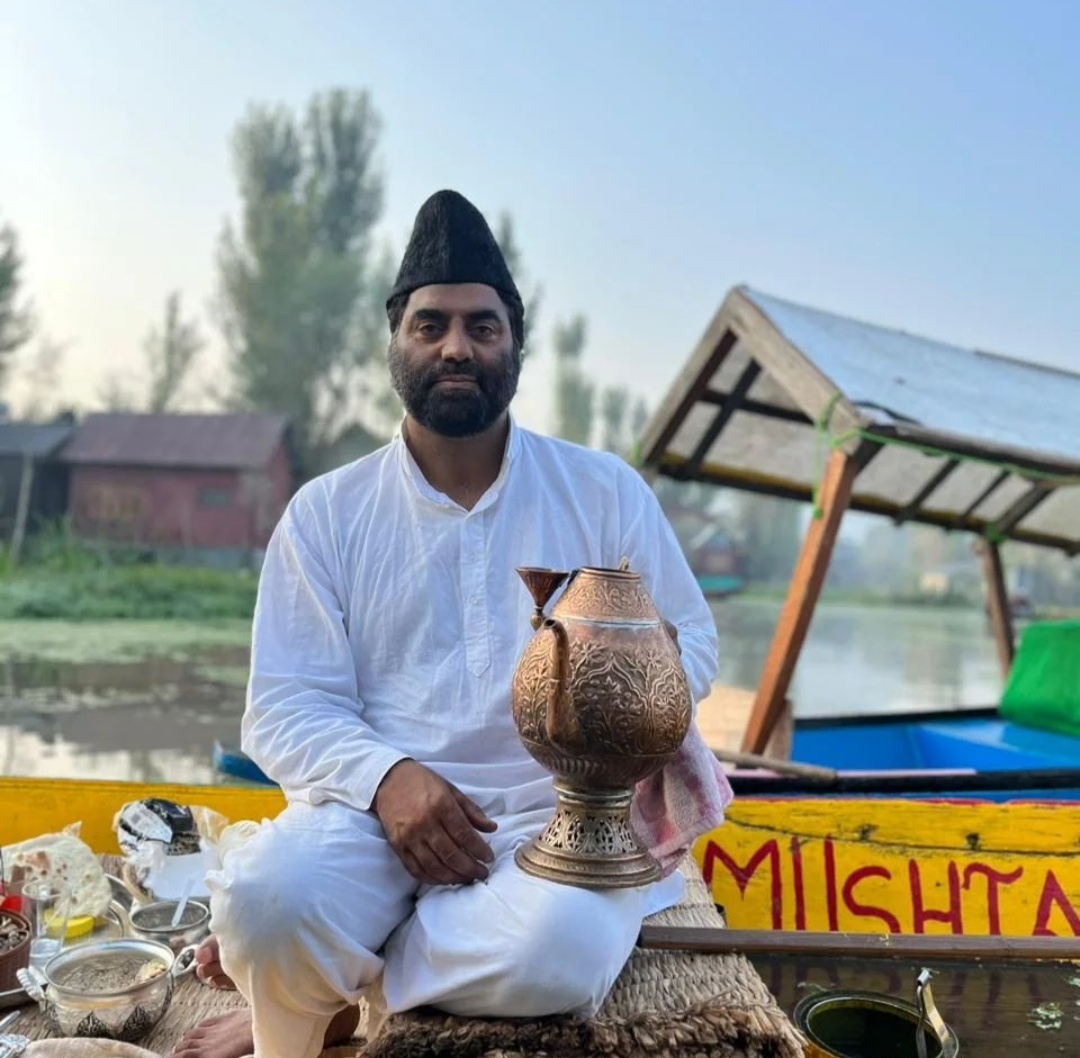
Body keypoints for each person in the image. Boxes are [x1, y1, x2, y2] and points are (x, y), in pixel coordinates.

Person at [170, 190, 731, 1058]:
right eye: (430, 325)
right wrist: (390, 779)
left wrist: (613, 692)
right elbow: (284, 707)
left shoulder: (602, 492)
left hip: (559, 816)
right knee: (264, 904)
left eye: (482, 326)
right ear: (396, 343)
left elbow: (691, 642)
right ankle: (318, 967)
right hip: (371, 817)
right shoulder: (327, 513)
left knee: (563, 954)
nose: (457, 346)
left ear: (515, 345)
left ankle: (337, 988)